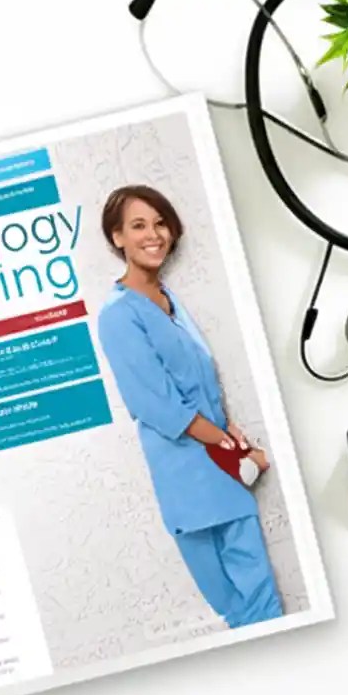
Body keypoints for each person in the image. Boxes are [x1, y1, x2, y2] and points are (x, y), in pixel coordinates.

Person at [96, 184, 283, 629]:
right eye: (138, 225)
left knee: (262, 602)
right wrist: (239, 453)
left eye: (160, 223)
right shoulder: (118, 314)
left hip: (222, 470)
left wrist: (232, 430)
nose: (154, 234)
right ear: (117, 237)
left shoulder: (169, 301)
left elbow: (201, 384)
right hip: (191, 481)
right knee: (239, 609)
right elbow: (158, 406)